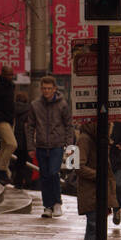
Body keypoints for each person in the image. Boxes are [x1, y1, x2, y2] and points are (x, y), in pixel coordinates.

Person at [76, 116, 118, 240]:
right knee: (94, 226)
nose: (109, 129)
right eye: (107, 126)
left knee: (94, 226)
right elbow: (77, 166)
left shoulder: (97, 140)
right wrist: (99, 175)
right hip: (91, 191)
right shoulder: (85, 139)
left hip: (98, 191)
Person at [27, 76, 73, 219]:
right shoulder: (35, 105)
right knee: (44, 176)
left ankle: (57, 203)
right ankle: (47, 206)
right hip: (41, 145)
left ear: (54, 89)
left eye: (49, 88)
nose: (46, 91)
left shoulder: (63, 105)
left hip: (57, 145)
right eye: (44, 88)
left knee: (53, 173)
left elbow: (69, 125)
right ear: (41, 89)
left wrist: (69, 144)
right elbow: (30, 127)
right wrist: (30, 146)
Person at [12, 91, 33, 188]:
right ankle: (19, 183)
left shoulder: (11, 109)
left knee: (11, 161)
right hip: (24, 142)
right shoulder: (29, 110)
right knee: (22, 163)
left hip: (13, 139)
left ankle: (9, 178)